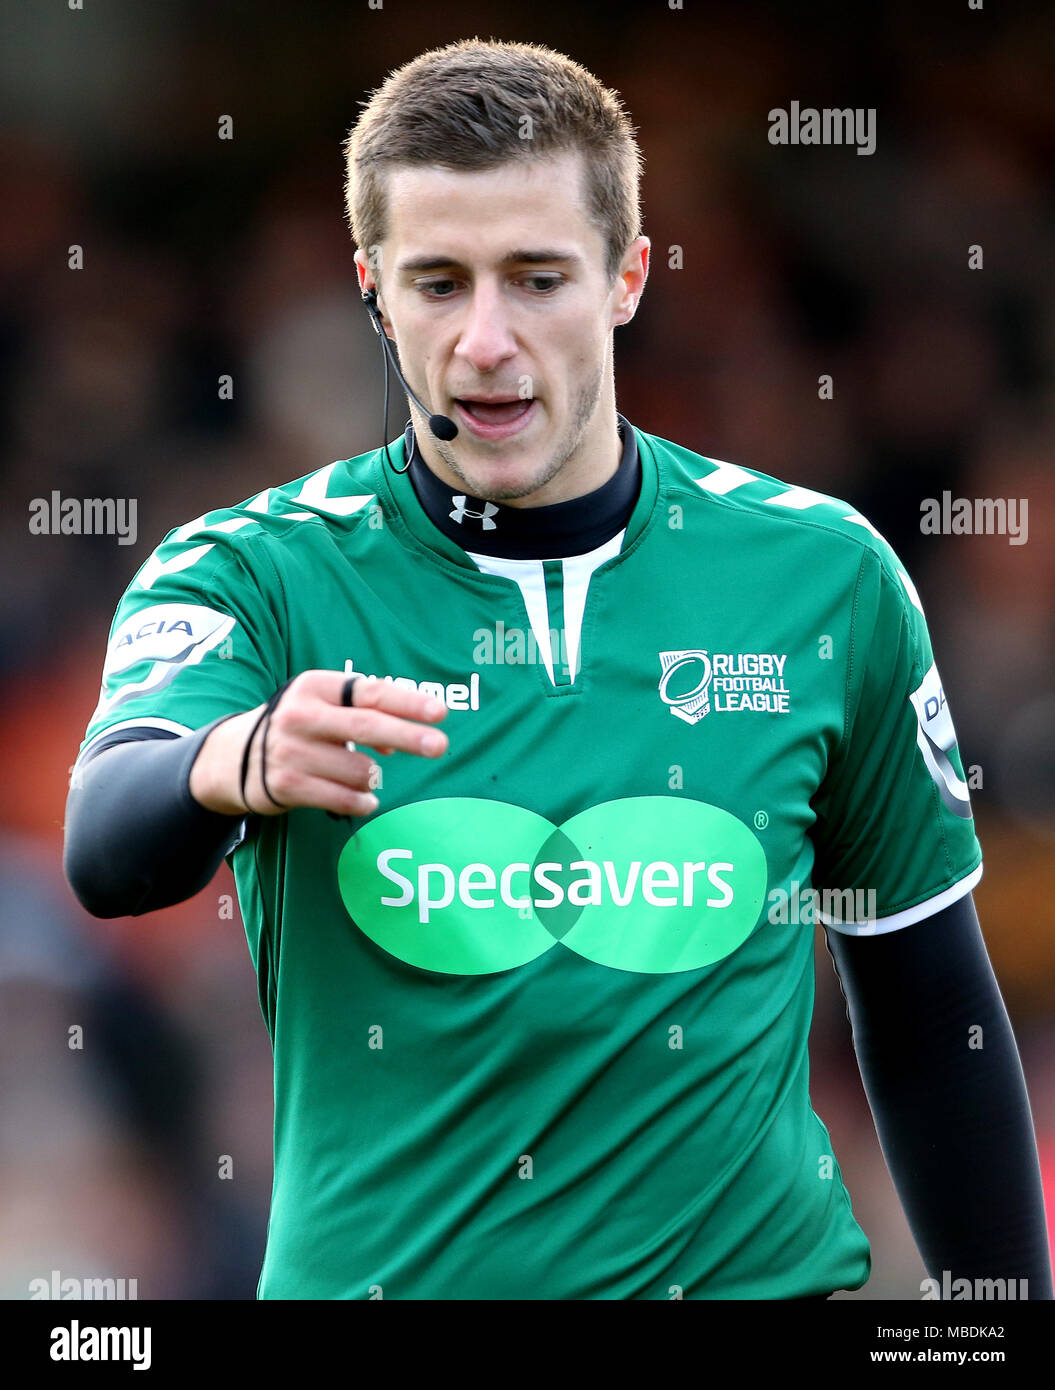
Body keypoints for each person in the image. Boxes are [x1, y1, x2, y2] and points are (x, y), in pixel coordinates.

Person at [64, 38, 1051, 1302]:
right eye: (436, 283)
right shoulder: (252, 575)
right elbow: (105, 845)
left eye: (536, 279)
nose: (485, 340)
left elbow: (925, 1008)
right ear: (370, 289)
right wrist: (235, 760)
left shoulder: (822, 575)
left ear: (627, 276)